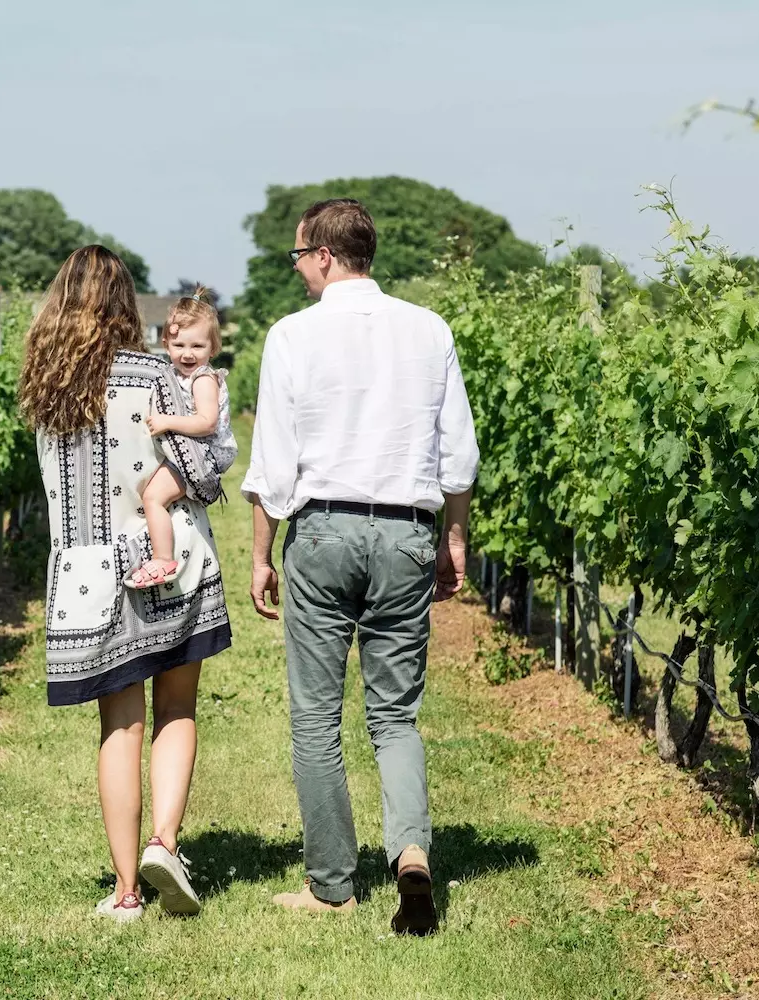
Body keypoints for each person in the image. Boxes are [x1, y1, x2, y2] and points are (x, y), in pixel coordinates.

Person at [241, 198, 478, 936]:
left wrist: (257, 553)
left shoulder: (292, 335)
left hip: (322, 531)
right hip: (406, 530)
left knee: (316, 715)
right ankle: (410, 851)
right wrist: (455, 536)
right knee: (394, 714)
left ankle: (332, 885)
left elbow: (274, 459)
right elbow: (456, 452)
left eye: (296, 257)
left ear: (321, 255)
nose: (297, 271)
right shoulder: (428, 328)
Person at [18, 245, 233, 923]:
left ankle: (124, 891)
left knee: (118, 726)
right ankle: (163, 843)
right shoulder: (155, 373)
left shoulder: (43, 382)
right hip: (166, 559)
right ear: (123, 304)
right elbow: (198, 468)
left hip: (84, 573)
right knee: (176, 708)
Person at [127, 286, 238, 590]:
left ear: (213, 348)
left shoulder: (203, 379)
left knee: (152, 497)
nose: (187, 353)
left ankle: (163, 559)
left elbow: (206, 422)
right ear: (166, 343)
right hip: (194, 448)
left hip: (204, 454)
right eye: (179, 345)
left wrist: (166, 421)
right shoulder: (176, 374)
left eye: (197, 346)